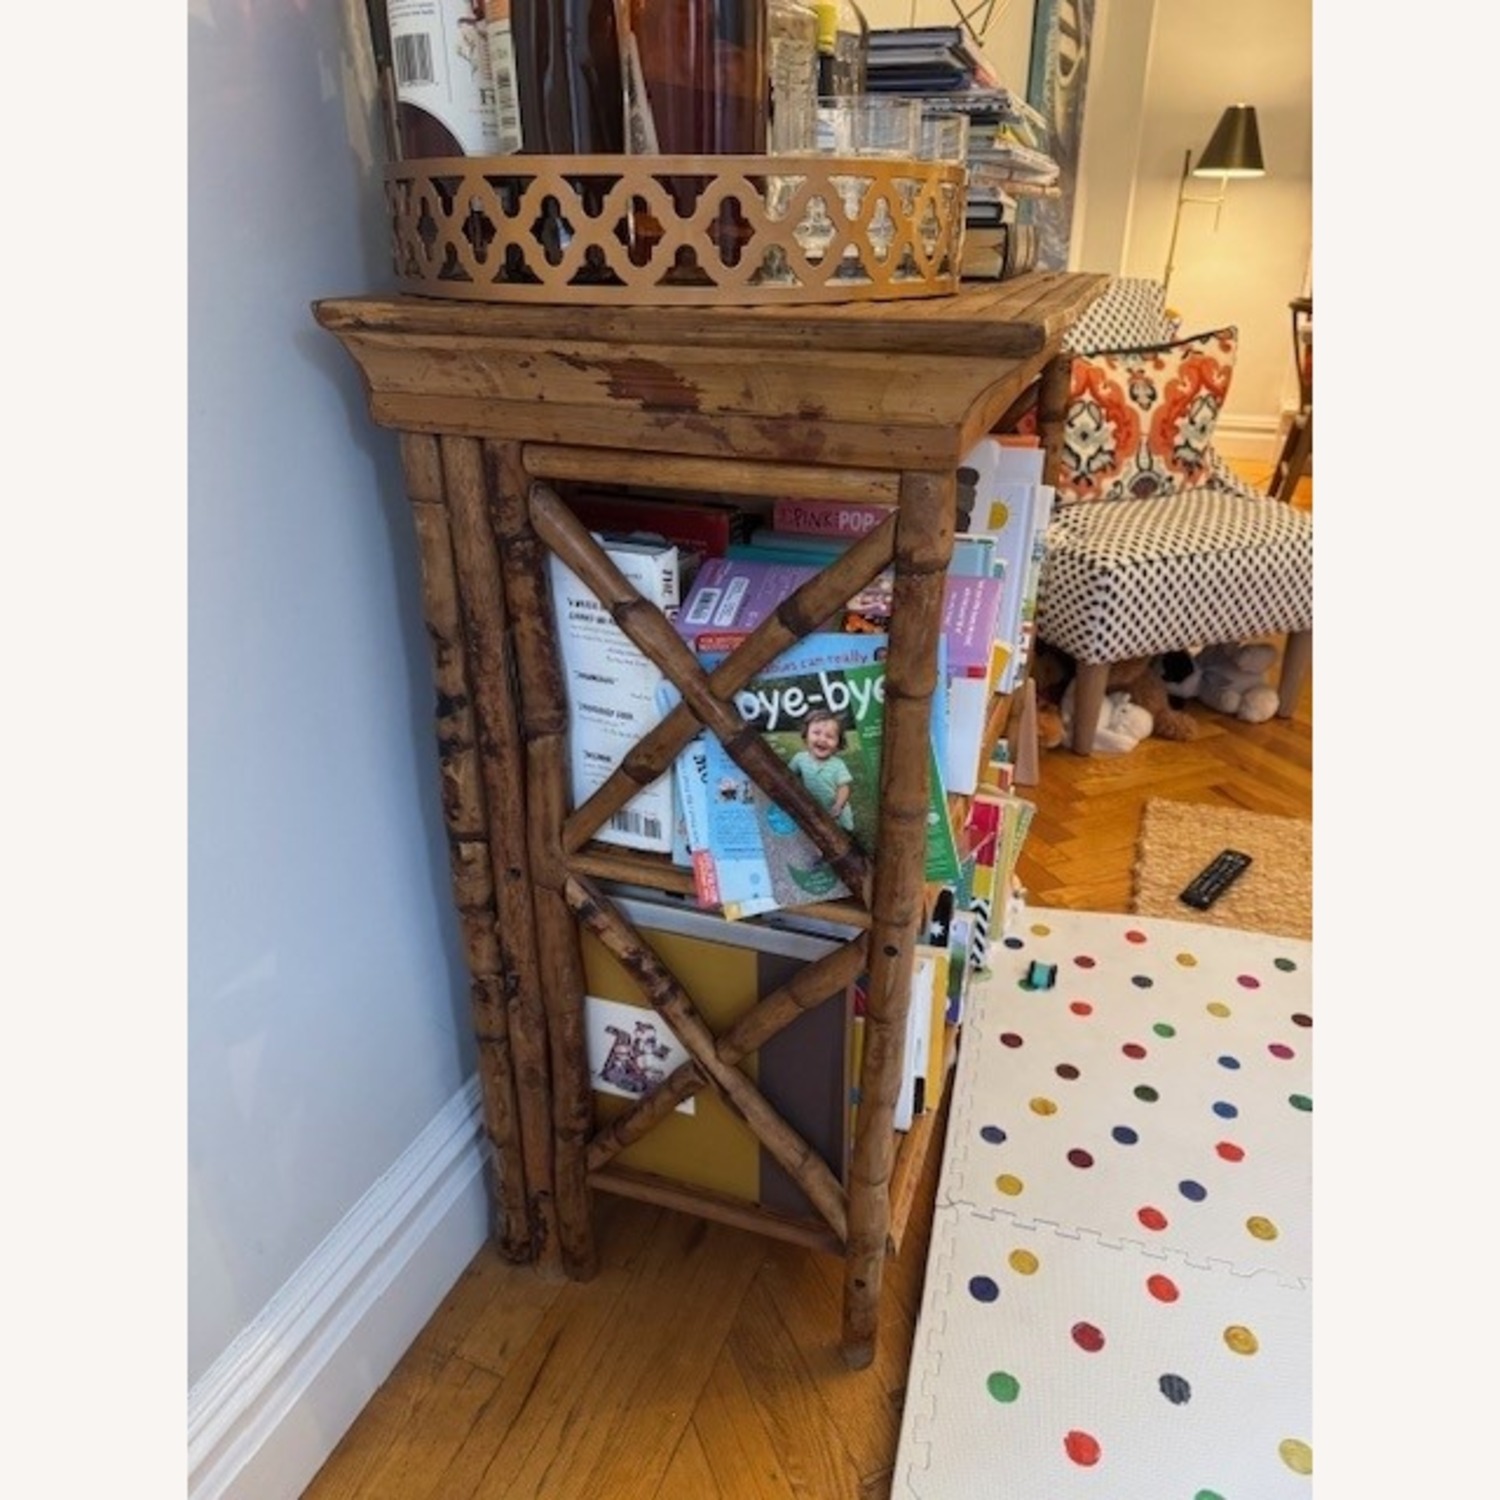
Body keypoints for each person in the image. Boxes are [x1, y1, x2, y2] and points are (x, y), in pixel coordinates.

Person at [788, 710, 855, 831]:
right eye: (816, 733)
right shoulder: (799, 759)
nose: (822, 739)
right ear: (806, 735)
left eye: (829, 736)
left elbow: (844, 787)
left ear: (838, 743)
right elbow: (787, 777)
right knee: (817, 832)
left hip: (836, 812)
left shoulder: (837, 765)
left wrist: (839, 805)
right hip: (812, 809)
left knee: (841, 834)